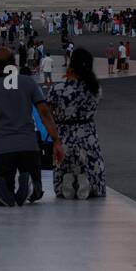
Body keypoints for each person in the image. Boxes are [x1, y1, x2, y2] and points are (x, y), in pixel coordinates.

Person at [0, 46, 62, 207]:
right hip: (28, 145)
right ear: (14, 63)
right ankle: (32, 185)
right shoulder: (28, 83)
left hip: (1, 149)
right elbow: (45, 113)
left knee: (4, 191)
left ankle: (1, 191)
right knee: (37, 193)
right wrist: (55, 140)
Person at [47, 48, 106, 200]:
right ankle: (85, 181)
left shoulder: (57, 89)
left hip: (63, 134)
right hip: (87, 134)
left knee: (63, 164)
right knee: (91, 164)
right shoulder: (95, 88)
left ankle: (67, 181)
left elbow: (47, 113)